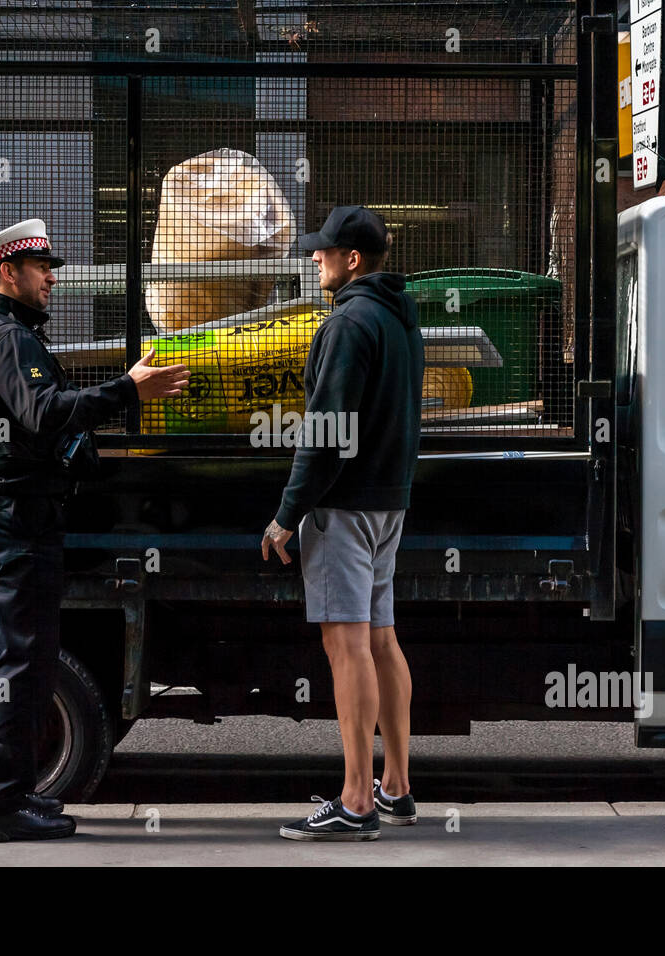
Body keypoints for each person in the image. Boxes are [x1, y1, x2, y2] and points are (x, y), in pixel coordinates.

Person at [0, 218, 188, 843]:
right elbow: (45, 412)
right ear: (7, 272)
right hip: (16, 516)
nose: (52, 277)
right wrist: (128, 389)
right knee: (22, 659)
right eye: (42, 267)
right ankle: (1, 805)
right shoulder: (8, 339)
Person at [262, 205, 424, 841]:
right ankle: (397, 787)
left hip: (344, 509)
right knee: (381, 638)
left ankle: (356, 799)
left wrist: (286, 515)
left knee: (346, 643)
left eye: (323, 250)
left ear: (351, 259)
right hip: (389, 503)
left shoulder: (348, 323)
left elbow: (325, 434)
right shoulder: (398, 319)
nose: (314, 258)